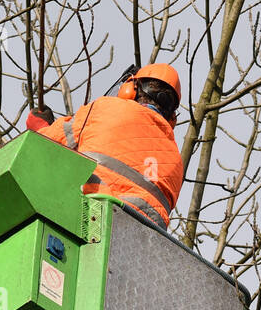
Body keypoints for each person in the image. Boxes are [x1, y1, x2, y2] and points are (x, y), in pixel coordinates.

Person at [26, 63, 184, 229]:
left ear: (130, 88)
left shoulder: (104, 108)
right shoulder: (177, 162)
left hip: (91, 219)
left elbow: (45, 146)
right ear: (172, 117)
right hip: (144, 242)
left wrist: (41, 126)